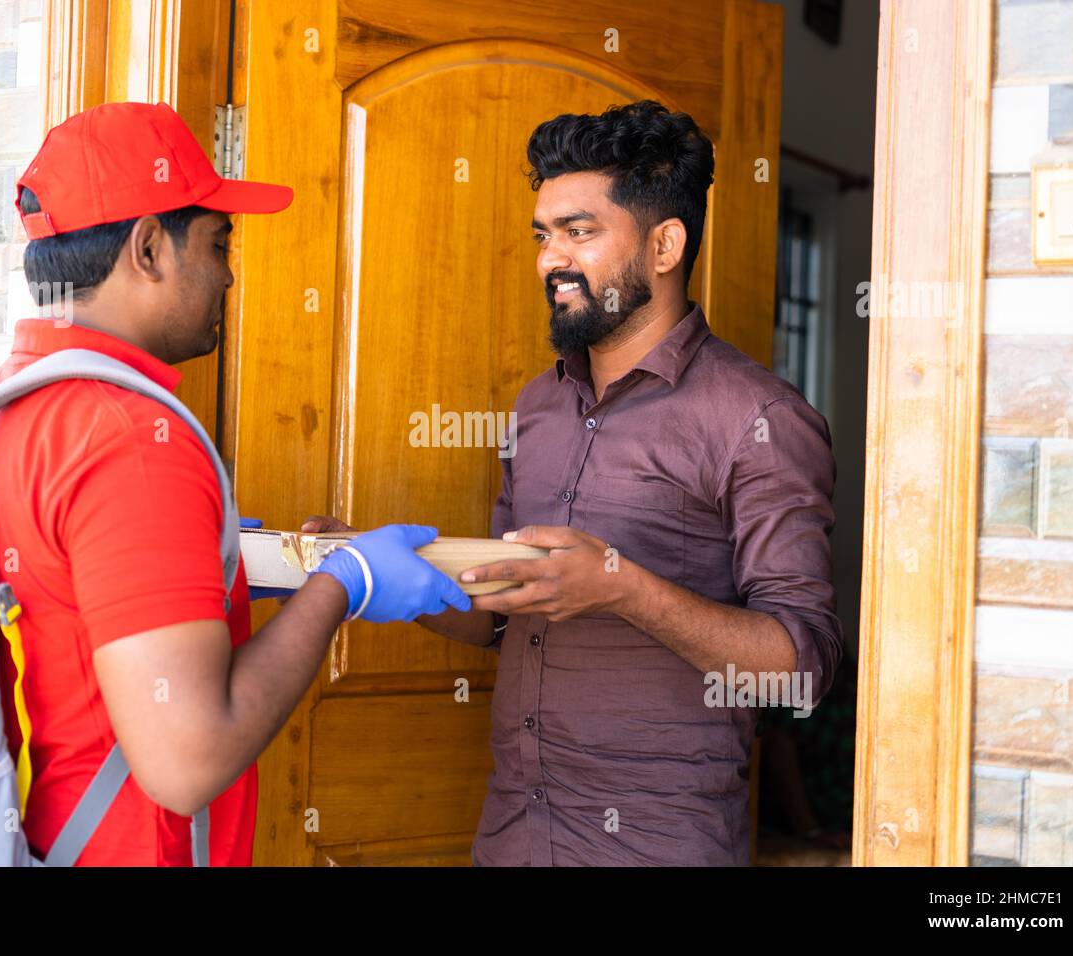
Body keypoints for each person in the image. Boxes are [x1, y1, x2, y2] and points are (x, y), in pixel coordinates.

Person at [308, 100, 842, 866]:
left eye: (580, 232)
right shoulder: (537, 406)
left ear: (664, 245)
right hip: (512, 837)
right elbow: (501, 616)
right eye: (542, 234)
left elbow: (802, 670)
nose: (550, 259)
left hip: (657, 848)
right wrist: (370, 568)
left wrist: (623, 587)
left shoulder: (758, 417)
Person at [0, 101, 469, 866]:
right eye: (221, 243)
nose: (230, 274)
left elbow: (79, 603)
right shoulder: (129, 439)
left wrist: (221, 568)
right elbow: (186, 761)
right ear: (150, 248)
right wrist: (342, 584)